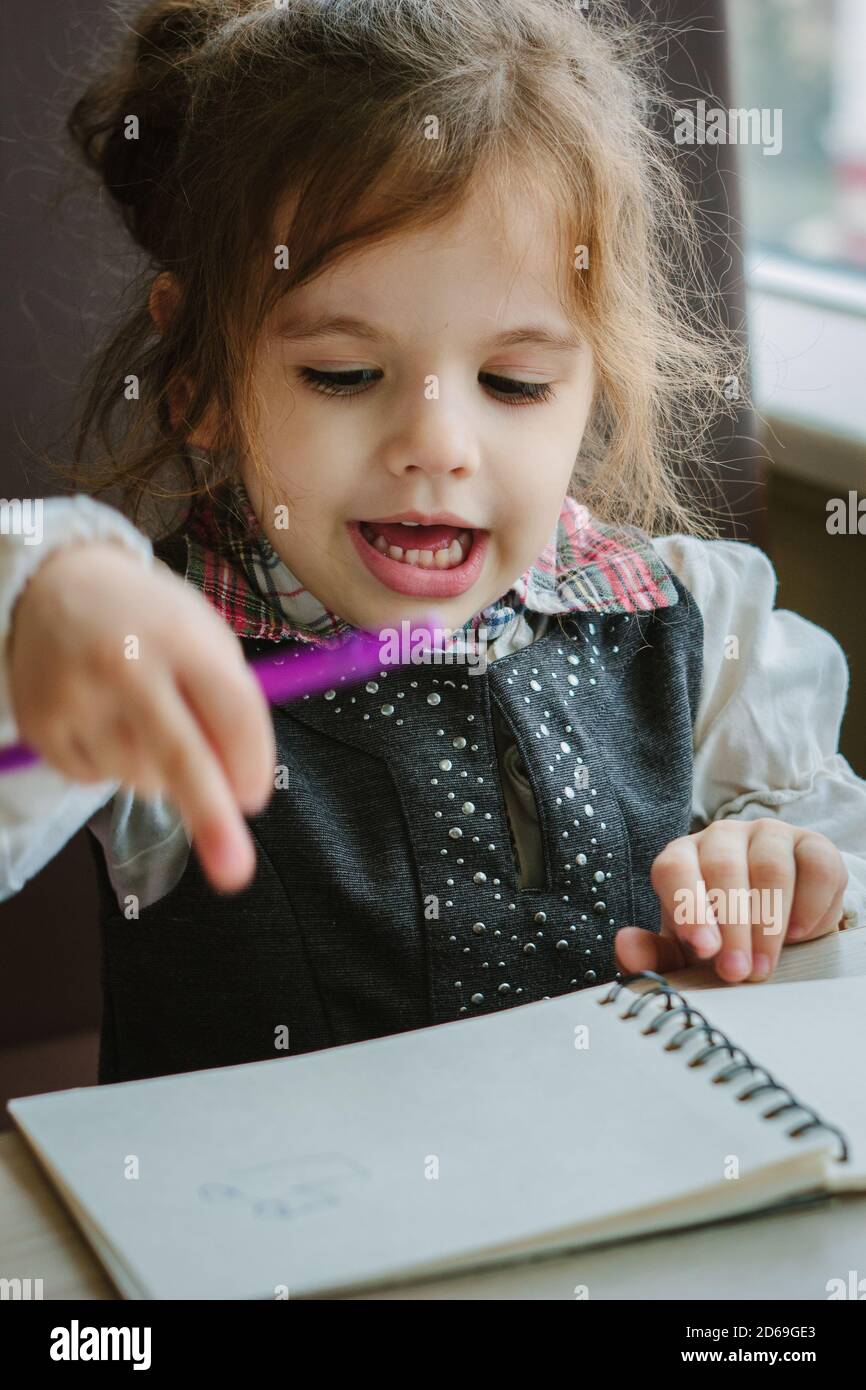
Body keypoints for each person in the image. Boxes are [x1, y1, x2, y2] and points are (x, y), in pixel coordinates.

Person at [2, 0, 864, 1084]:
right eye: (342, 375)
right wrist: (38, 602)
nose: (435, 444)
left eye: (513, 382)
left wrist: (784, 869)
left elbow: (826, 861)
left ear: (590, 384)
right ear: (199, 381)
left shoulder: (689, 627)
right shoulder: (153, 661)